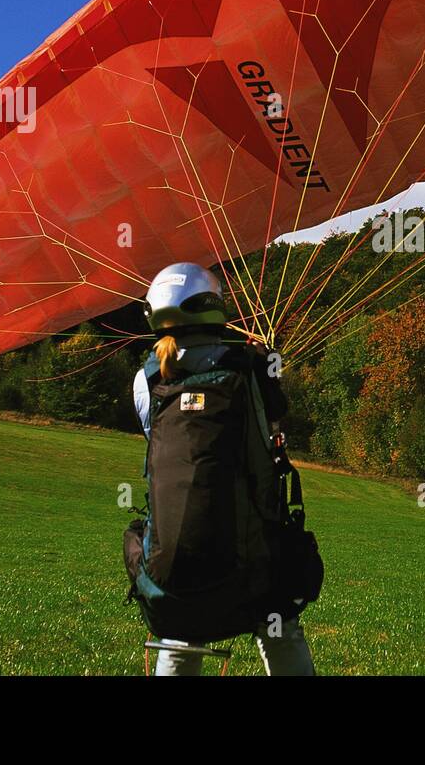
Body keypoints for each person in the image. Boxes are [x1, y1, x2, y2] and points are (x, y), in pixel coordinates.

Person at [131, 262, 315, 676]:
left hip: (175, 554)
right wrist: (271, 363)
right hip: (251, 554)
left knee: (182, 629)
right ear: (212, 305)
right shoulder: (250, 366)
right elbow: (272, 424)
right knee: (278, 624)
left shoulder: (146, 379)